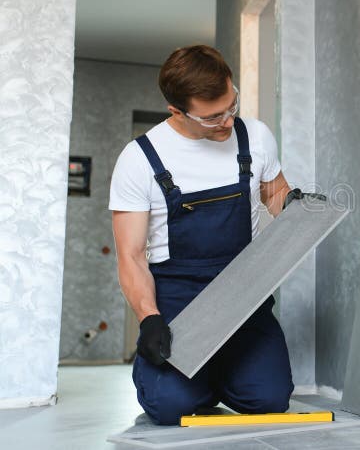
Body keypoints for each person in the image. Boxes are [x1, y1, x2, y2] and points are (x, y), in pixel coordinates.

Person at [109, 44, 298, 425]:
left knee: (270, 398)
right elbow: (130, 255)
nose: (228, 122)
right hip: (180, 301)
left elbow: (274, 193)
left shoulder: (255, 137)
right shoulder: (140, 159)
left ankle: (217, 375)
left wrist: (296, 204)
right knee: (169, 406)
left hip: (244, 291)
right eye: (213, 118)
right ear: (176, 111)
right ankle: (190, 383)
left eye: (232, 107)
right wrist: (148, 318)